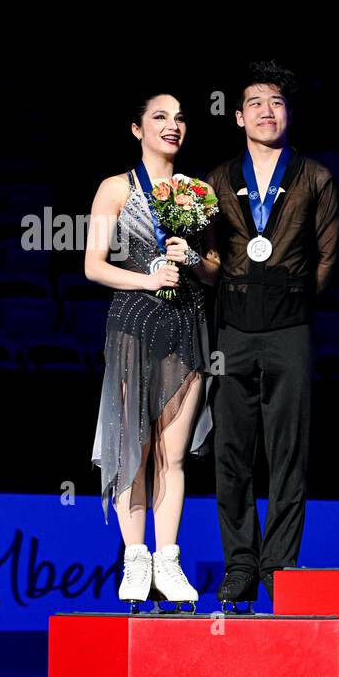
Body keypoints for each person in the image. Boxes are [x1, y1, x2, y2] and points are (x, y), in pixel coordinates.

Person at [204, 61, 339, 609]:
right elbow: (211, 256)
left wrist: (293, 300)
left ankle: (279, 565)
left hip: (290, 329)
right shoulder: (214, 180)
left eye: (277, 102)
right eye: (256, 103)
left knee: (289, 453)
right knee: (231, 454)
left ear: (289, 113)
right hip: (232, 328)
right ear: (239, 116)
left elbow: (329, 256)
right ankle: (240, 565)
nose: (267, 111)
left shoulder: (315, 176)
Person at [86, 92, 217, 611]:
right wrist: (147, 277)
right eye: (160, 117)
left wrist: (195, 261)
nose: (173, 125)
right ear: (137, 129)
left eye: (180, 117)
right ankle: (135, 557)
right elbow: (93, 265)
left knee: (173, 454)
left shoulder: (198, 192)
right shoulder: (115, 188)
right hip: (133, 325)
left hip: (187, 325)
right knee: (133, 449)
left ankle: (168, 559)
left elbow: (214, 270)